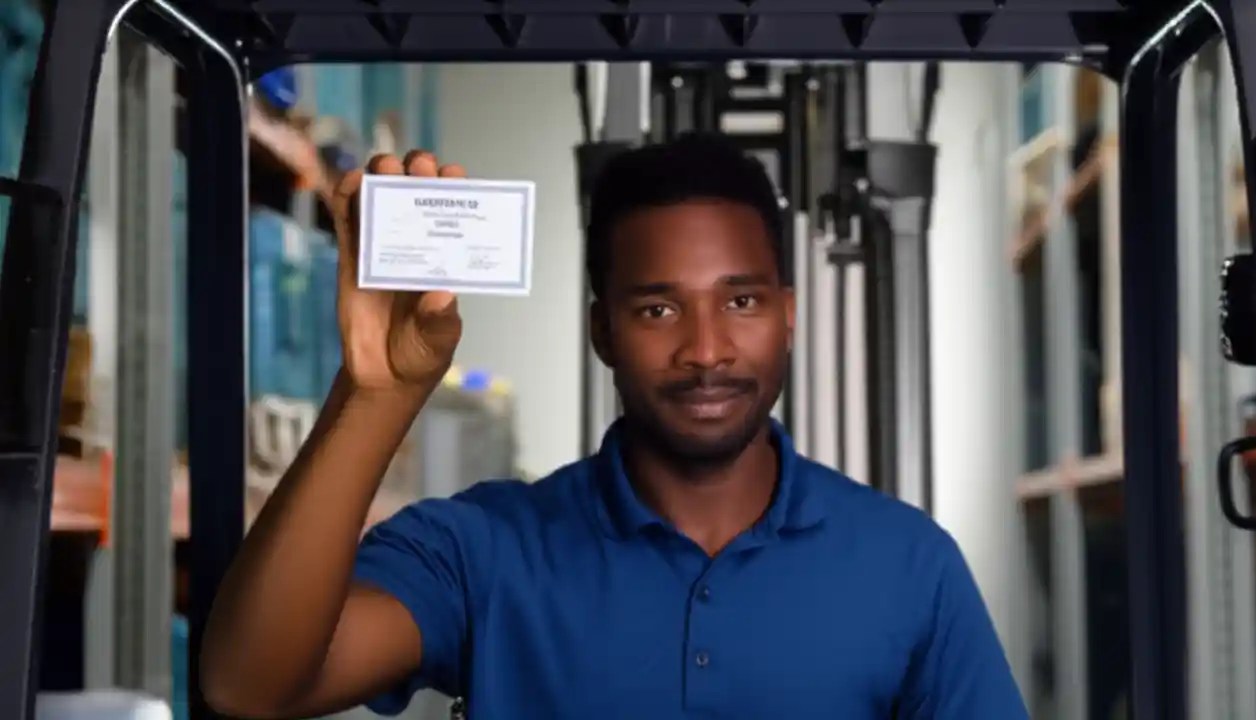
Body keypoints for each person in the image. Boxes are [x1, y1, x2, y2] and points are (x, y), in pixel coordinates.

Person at [200, 134, 1030, 719]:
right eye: (658, 307)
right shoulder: (484, 551)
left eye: (740, 302)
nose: (705, 350)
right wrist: (375, 390)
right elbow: (253, 685)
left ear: (787, 317)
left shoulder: (909, 566)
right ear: (603, 330)